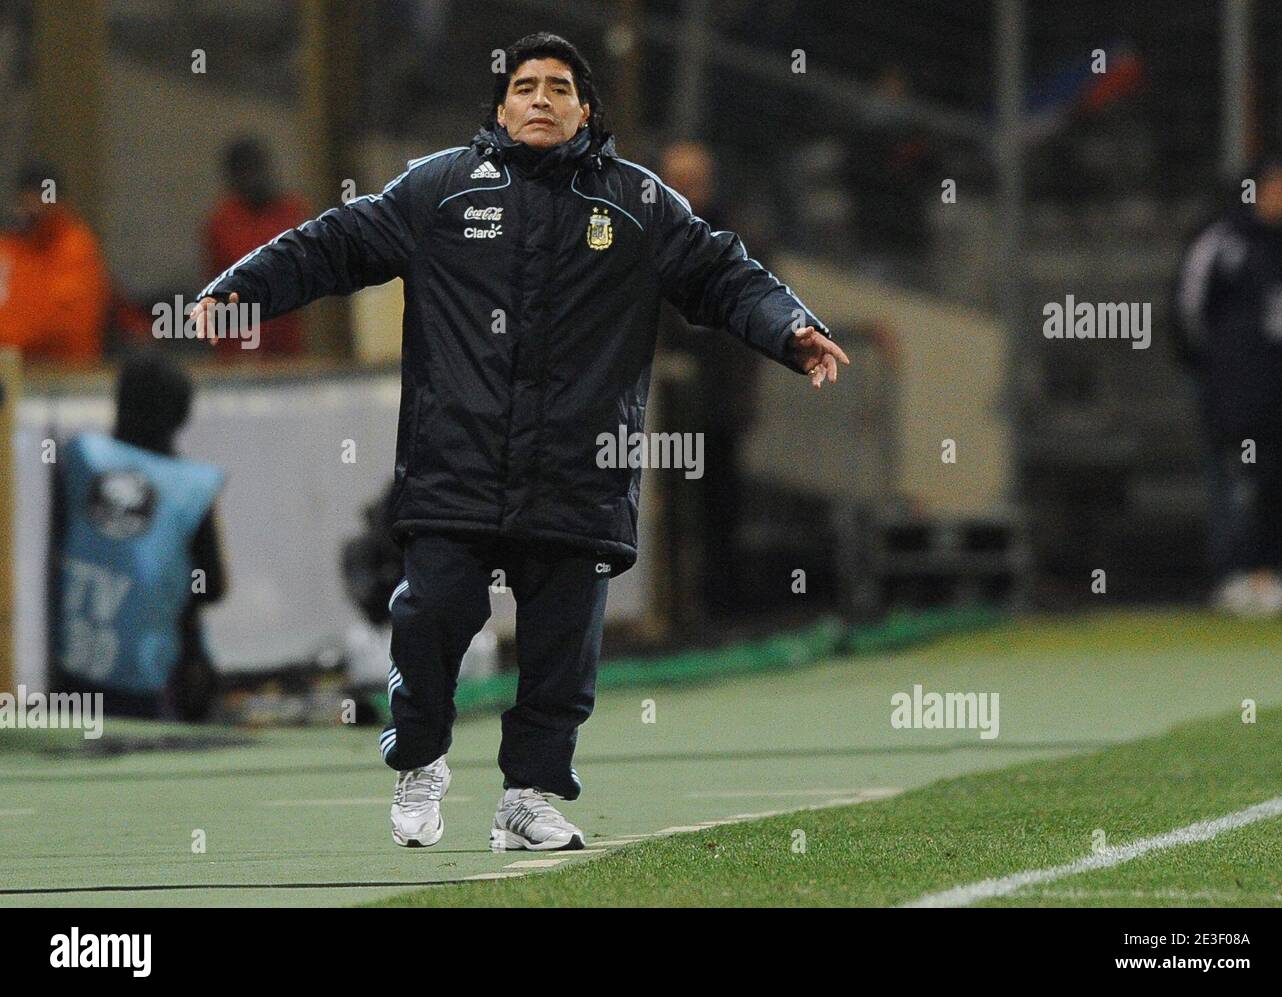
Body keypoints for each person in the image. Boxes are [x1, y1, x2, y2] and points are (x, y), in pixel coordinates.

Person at [191, 32, 848, 851]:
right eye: (525, 85)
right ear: (500, 108)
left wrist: (790, 327)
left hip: (579, 475)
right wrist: (242, 288)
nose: (541, 97)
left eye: (559, 88)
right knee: (429, 616)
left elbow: (722, 274)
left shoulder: (637, 206)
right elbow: (337, 244)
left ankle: (527, 798)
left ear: (585, 111)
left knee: (561, 650)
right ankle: (422, 762)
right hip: (455, 466)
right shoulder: (441, 190)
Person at [50, 351, 229, 719]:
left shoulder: (80, 460)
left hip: (73, 672)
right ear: (181, 414)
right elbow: (212, 585)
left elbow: (57, 556)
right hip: (152, 679)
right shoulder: (191, 488)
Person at [1172, 153, 1282, 616]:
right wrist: (1217, 372)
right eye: (1276, 187)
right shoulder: (1224, 241)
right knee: (1238, 481)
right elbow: (1189, 313)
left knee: (1279, 483)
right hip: (1236, 394)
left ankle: (1281, 571)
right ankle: (1238, 577)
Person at [656, 141, 763, 620]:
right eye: (678, 179)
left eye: (694, 179)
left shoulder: (734, 237)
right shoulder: (649, 230)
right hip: (667, 402)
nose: (687, 189)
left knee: (720, 499)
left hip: (718, 399)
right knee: (667, 503)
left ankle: (722, 603)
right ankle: (672, 606)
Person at [203, 138, 310, 357]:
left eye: (256, 168)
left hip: (287, 342)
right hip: (237, 342)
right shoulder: (223, 221)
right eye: (244, 171)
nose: (253, 178)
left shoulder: (292, 212)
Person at [0, 164, 109, 363]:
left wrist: (7, 340)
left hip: (65, 375)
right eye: (26, 201)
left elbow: (61, 323)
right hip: (13, 369)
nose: (33, 208)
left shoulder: (76, 247)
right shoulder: (9, 247)